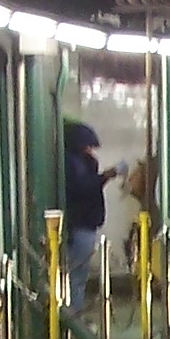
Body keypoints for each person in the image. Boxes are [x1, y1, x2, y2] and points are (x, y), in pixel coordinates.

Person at [61, 119, 107, 303]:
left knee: (77, 274)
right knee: (77, 275)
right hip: (81, 224)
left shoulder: (78, 163)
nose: (91, 151)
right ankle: (74, 315)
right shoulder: (73, 164)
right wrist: (105, 176)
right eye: (88, 146)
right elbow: (83, 188)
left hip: (83, 223)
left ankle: (74, 314)